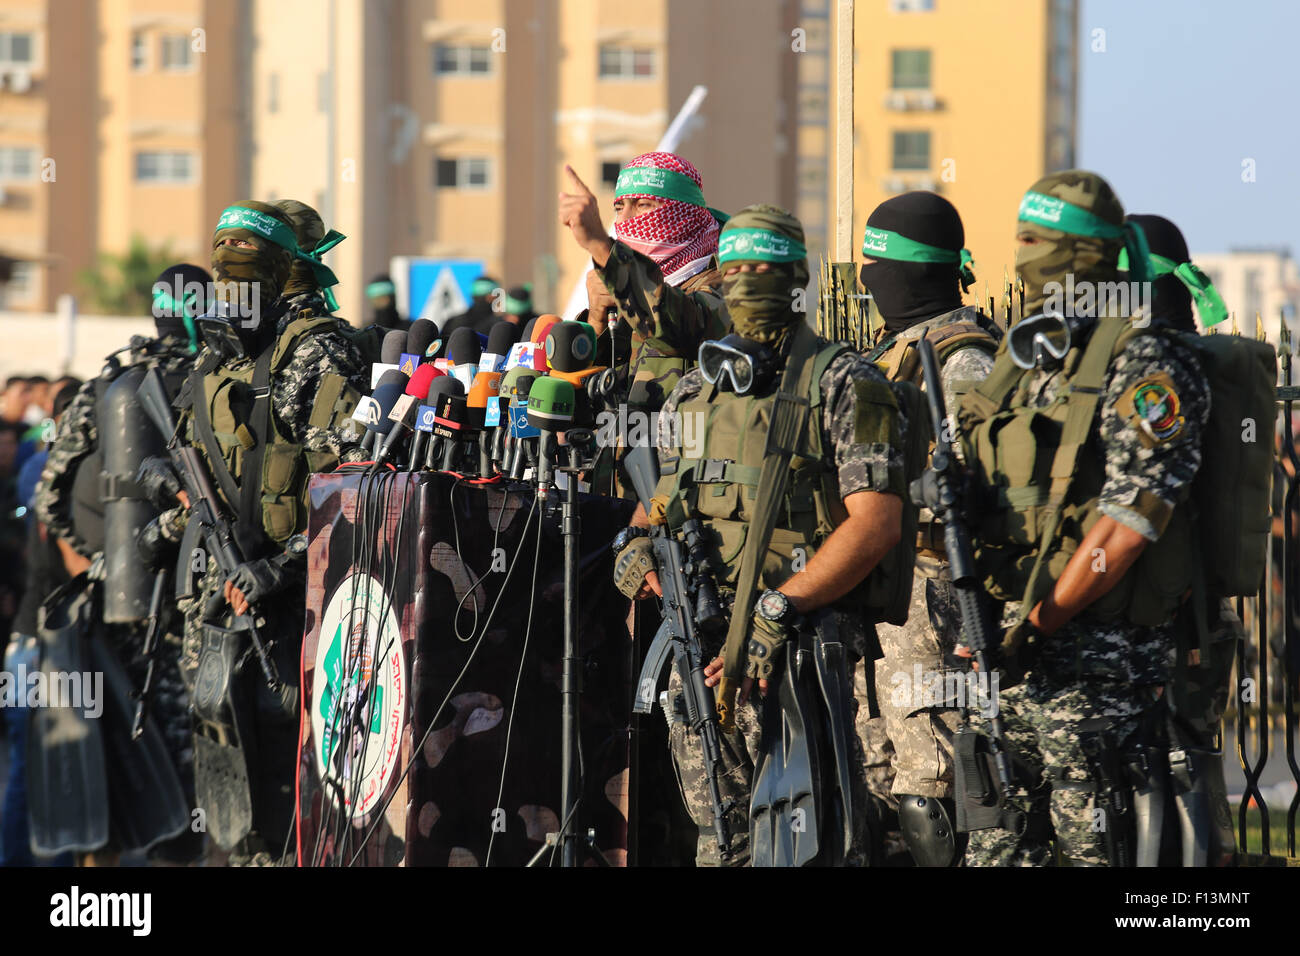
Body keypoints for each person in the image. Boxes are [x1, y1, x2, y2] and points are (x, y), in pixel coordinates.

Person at [612, 204, 907, 865]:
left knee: (816, 837)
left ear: (795, 279)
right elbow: (656, 506)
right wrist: (635, 552)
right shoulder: (696, 391)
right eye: (736, 268)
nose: (747, 283)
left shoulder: (845, 383)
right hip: (701, 647)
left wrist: (779, 608)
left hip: (799, 651)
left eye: (764, 270)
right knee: (723, 840)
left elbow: (877, 523)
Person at [957, 171, 1211, 867]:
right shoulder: (1027, 355)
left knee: (1096, 851)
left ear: (1091, 255)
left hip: (1097, 664)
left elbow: (1130, 521)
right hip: (1003, 659)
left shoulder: (1145, 360)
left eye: (1042, 242)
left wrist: (1040, 623)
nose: (1024, 257)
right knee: (996, 850)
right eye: (1022, 239)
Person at [156, 199, 368, 865]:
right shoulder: (222, 356)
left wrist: (280, 569)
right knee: (233, 807)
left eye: (244, 256)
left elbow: (349, 494)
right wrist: (166, 525)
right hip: (217, 615)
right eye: (223, 254)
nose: (228, 271)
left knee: (285, 801)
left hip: (287, 615)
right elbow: (208, 479)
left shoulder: (315, 351)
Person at [32, 262, 213, 864]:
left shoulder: (112, 380)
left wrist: (109, 558)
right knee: (207, 753)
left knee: (134, 756)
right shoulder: (224, 376)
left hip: (128, 603)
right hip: (215, 603)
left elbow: (50, 495)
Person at [857, 191, 1000, 865]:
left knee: (931, 786)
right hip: (882, 594)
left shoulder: (963, 358)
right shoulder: (896, 351)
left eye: (877, 265)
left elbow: (971, 488)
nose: (868, 281)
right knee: (876, 780)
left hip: (934, 599)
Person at [559, 152, 730, 498]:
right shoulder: (626, 292)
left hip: (686, 506)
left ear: (684, 214)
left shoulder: (725, 286)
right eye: (620, 207)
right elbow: (590, 404)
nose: (630, 219)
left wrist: (601, 247)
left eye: (644, 205)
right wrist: (595, 320)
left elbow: (673, 324)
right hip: (616, 502)